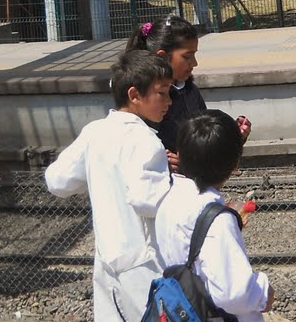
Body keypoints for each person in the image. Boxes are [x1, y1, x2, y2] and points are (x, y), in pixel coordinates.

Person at [45, 50, 173, 322]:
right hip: (145, 262)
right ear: (134, 95)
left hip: (106, 258)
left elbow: (57, 180)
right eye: (162, 93)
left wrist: (96, 176)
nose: (169, 101)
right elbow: (148, 201)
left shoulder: (95, 132)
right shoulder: (146, 140)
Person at [154, 111, 273, 321]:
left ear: (179, 154)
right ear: (235, 164)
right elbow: (234, 294)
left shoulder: (169, 198)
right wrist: (264, 293)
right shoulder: (217, 219)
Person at [129, 16, 252, 166]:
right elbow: (139, 154)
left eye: (194, 55)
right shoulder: (147, 102)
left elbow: (204, 142)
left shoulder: (190, 91)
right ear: (163, 57)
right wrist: (161, 163)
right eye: (187, 56)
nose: (194, 63)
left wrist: (231, 138)